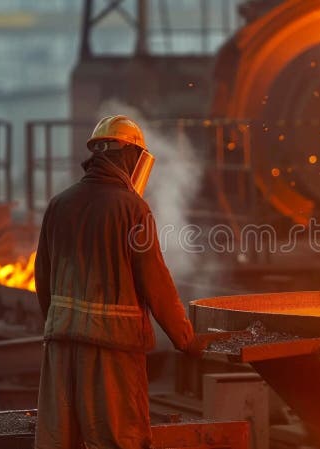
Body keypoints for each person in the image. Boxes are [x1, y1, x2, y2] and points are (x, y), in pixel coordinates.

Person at [33, 115, 202, 449]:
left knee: (60, 440)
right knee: (118, 439)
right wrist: (185, 339)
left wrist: (62, 326)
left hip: (61, 345)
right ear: (128, 156)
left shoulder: (59, 205)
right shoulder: (132, 208)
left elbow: (43, 281)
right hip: (112, 352)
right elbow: (156, 283)